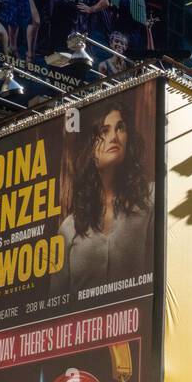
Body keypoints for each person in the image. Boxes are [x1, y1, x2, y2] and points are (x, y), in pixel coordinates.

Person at [53, 89, 155, 298]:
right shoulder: (70, 227)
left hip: (139, 324)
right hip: (82, 328)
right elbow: (56, 301)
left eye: (120, 128)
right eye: (104, 131)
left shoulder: (151, 198)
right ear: (90, 147)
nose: (114, 137)